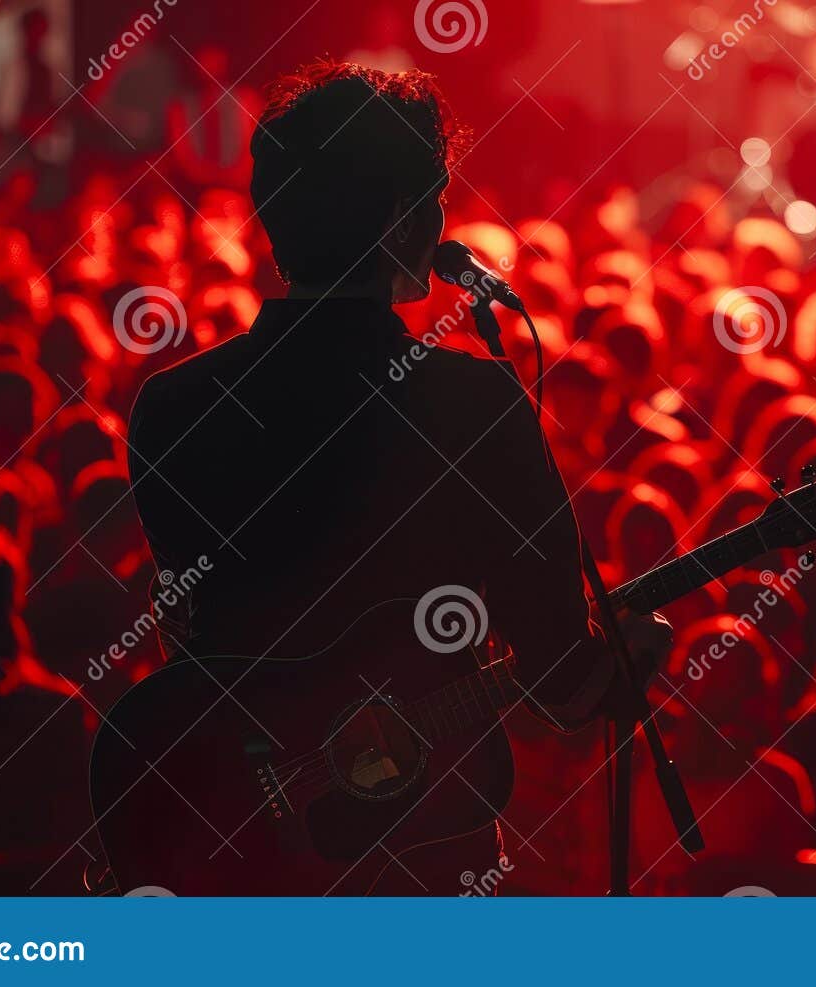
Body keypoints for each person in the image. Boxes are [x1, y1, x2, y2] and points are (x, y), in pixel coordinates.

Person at [124, 61, 670, 894]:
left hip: (230, 849)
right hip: (420, 856)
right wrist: (621, 663)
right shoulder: (474, 402)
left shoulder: (172, 405)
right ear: (401, 221)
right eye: (436, 197)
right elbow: (560, 676)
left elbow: (192, 642)